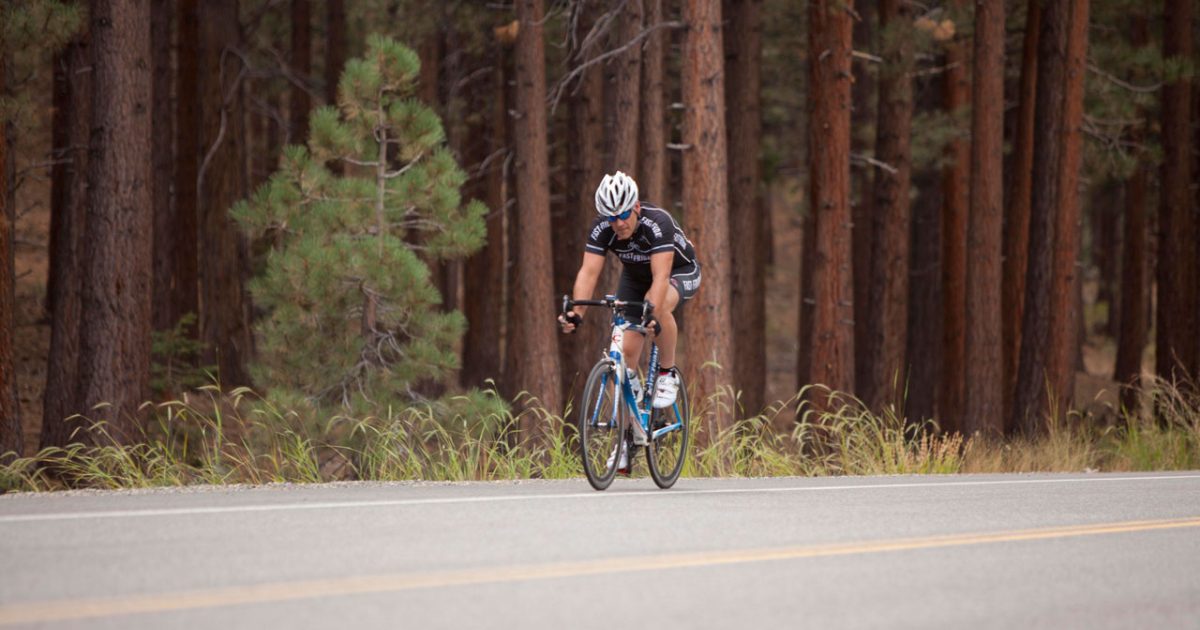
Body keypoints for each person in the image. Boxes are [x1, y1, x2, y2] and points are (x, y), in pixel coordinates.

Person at [558, 170, 701, 416]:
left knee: (658, 306)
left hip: (679, 271)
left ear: (636, 207)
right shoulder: (602, 228)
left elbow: (660, 277)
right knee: (624, 356)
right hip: (636, 278)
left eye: (624, 214)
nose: (619, 223)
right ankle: (630, 431)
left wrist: (652, 313)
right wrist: (577, 312)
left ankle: (667, 372)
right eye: (611, 218)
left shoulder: (658, 223)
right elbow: (588, 273)